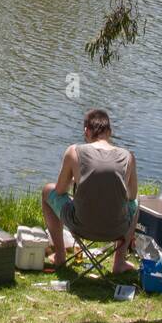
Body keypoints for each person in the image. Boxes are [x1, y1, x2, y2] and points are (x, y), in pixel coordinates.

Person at [41, 108, 138, 273]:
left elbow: (59, 190)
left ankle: (60, 256)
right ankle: (119, 262)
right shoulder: (128, 156)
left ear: (86, 131)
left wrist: (76, 181)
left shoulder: (74, 151)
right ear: (110, 131)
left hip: (80, 226)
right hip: (117, 229)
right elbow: (132, 195)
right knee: (137, 202)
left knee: (46, 191)